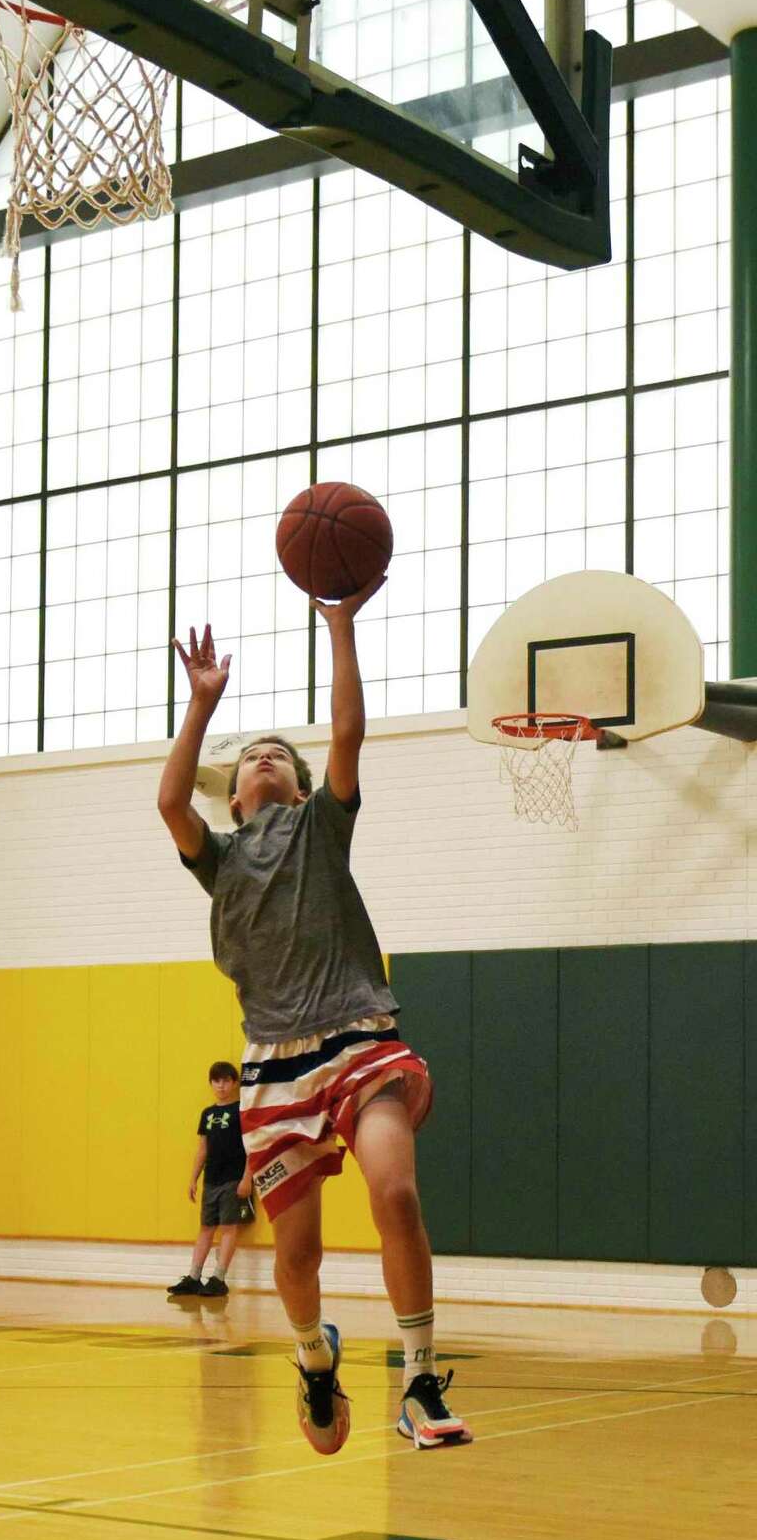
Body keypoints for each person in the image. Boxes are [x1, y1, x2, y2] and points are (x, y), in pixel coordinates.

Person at [157, 601, 471, 1453]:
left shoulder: (319, 826)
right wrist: (202, 705)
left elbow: (347, 732)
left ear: (298, 786)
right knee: (298, 1256)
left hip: (360, 1036)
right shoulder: (217, 860)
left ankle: (416, 1378)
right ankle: (313, 1354)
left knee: (395, 1191)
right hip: (273, 1070)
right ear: (235, 793)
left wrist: (338, 625)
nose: (263, 759)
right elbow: (168, 798)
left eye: (278, 756)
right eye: (250, 757)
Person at [167, 1061, 254, 1299]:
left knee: (228, 1228)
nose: (221, 1085)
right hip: (211, 1180)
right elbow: (202, 1149)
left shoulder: (241, 1111)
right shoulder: (207, 1114)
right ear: (211, 1084)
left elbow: (252, 1147)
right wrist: (193, 1178)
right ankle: (194, 1277)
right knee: (206, 1228)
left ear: (235, 1083)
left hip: (233, 1179)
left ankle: (219, 1277)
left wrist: (247, 1178)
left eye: (226, 1080)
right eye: (217, 1081)